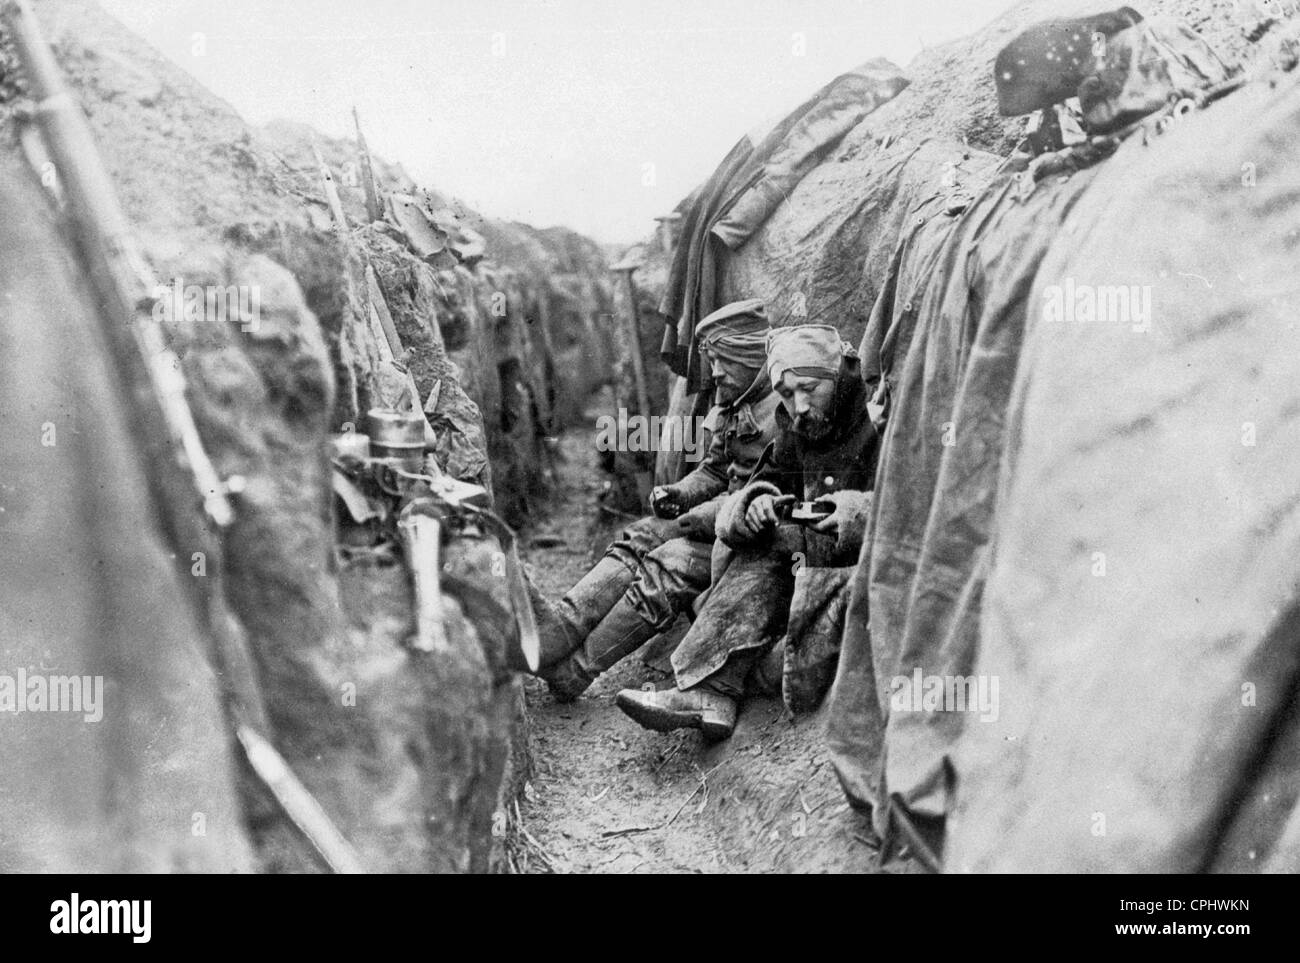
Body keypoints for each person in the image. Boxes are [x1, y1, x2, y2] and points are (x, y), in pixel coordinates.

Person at [616, 323, 877, 739]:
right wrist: (756, 504)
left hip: (864, 573)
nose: (800, 405)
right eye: (788, 394)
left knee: (780, 666)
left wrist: (854, 512)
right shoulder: (795, 430)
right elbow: (762, 481)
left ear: (836, 378)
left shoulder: (880, 424)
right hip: (803, 570)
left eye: (810, 388)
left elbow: (915, 509)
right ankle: (711, 692)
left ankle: (727, 685)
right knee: (769, 541)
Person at [527, 298, 780, 701]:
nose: (715, 374)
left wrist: (697, 517)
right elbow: (715, 470)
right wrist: (678, 494)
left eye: (722, 361)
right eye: (711, 361)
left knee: (670, 564)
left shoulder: (783, 407)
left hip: (756, 533)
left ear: (748, 355)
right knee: (643, 533)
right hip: (720, 521)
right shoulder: (735, 398)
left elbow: (770, 492)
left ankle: (576, 671)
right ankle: (562, 627)